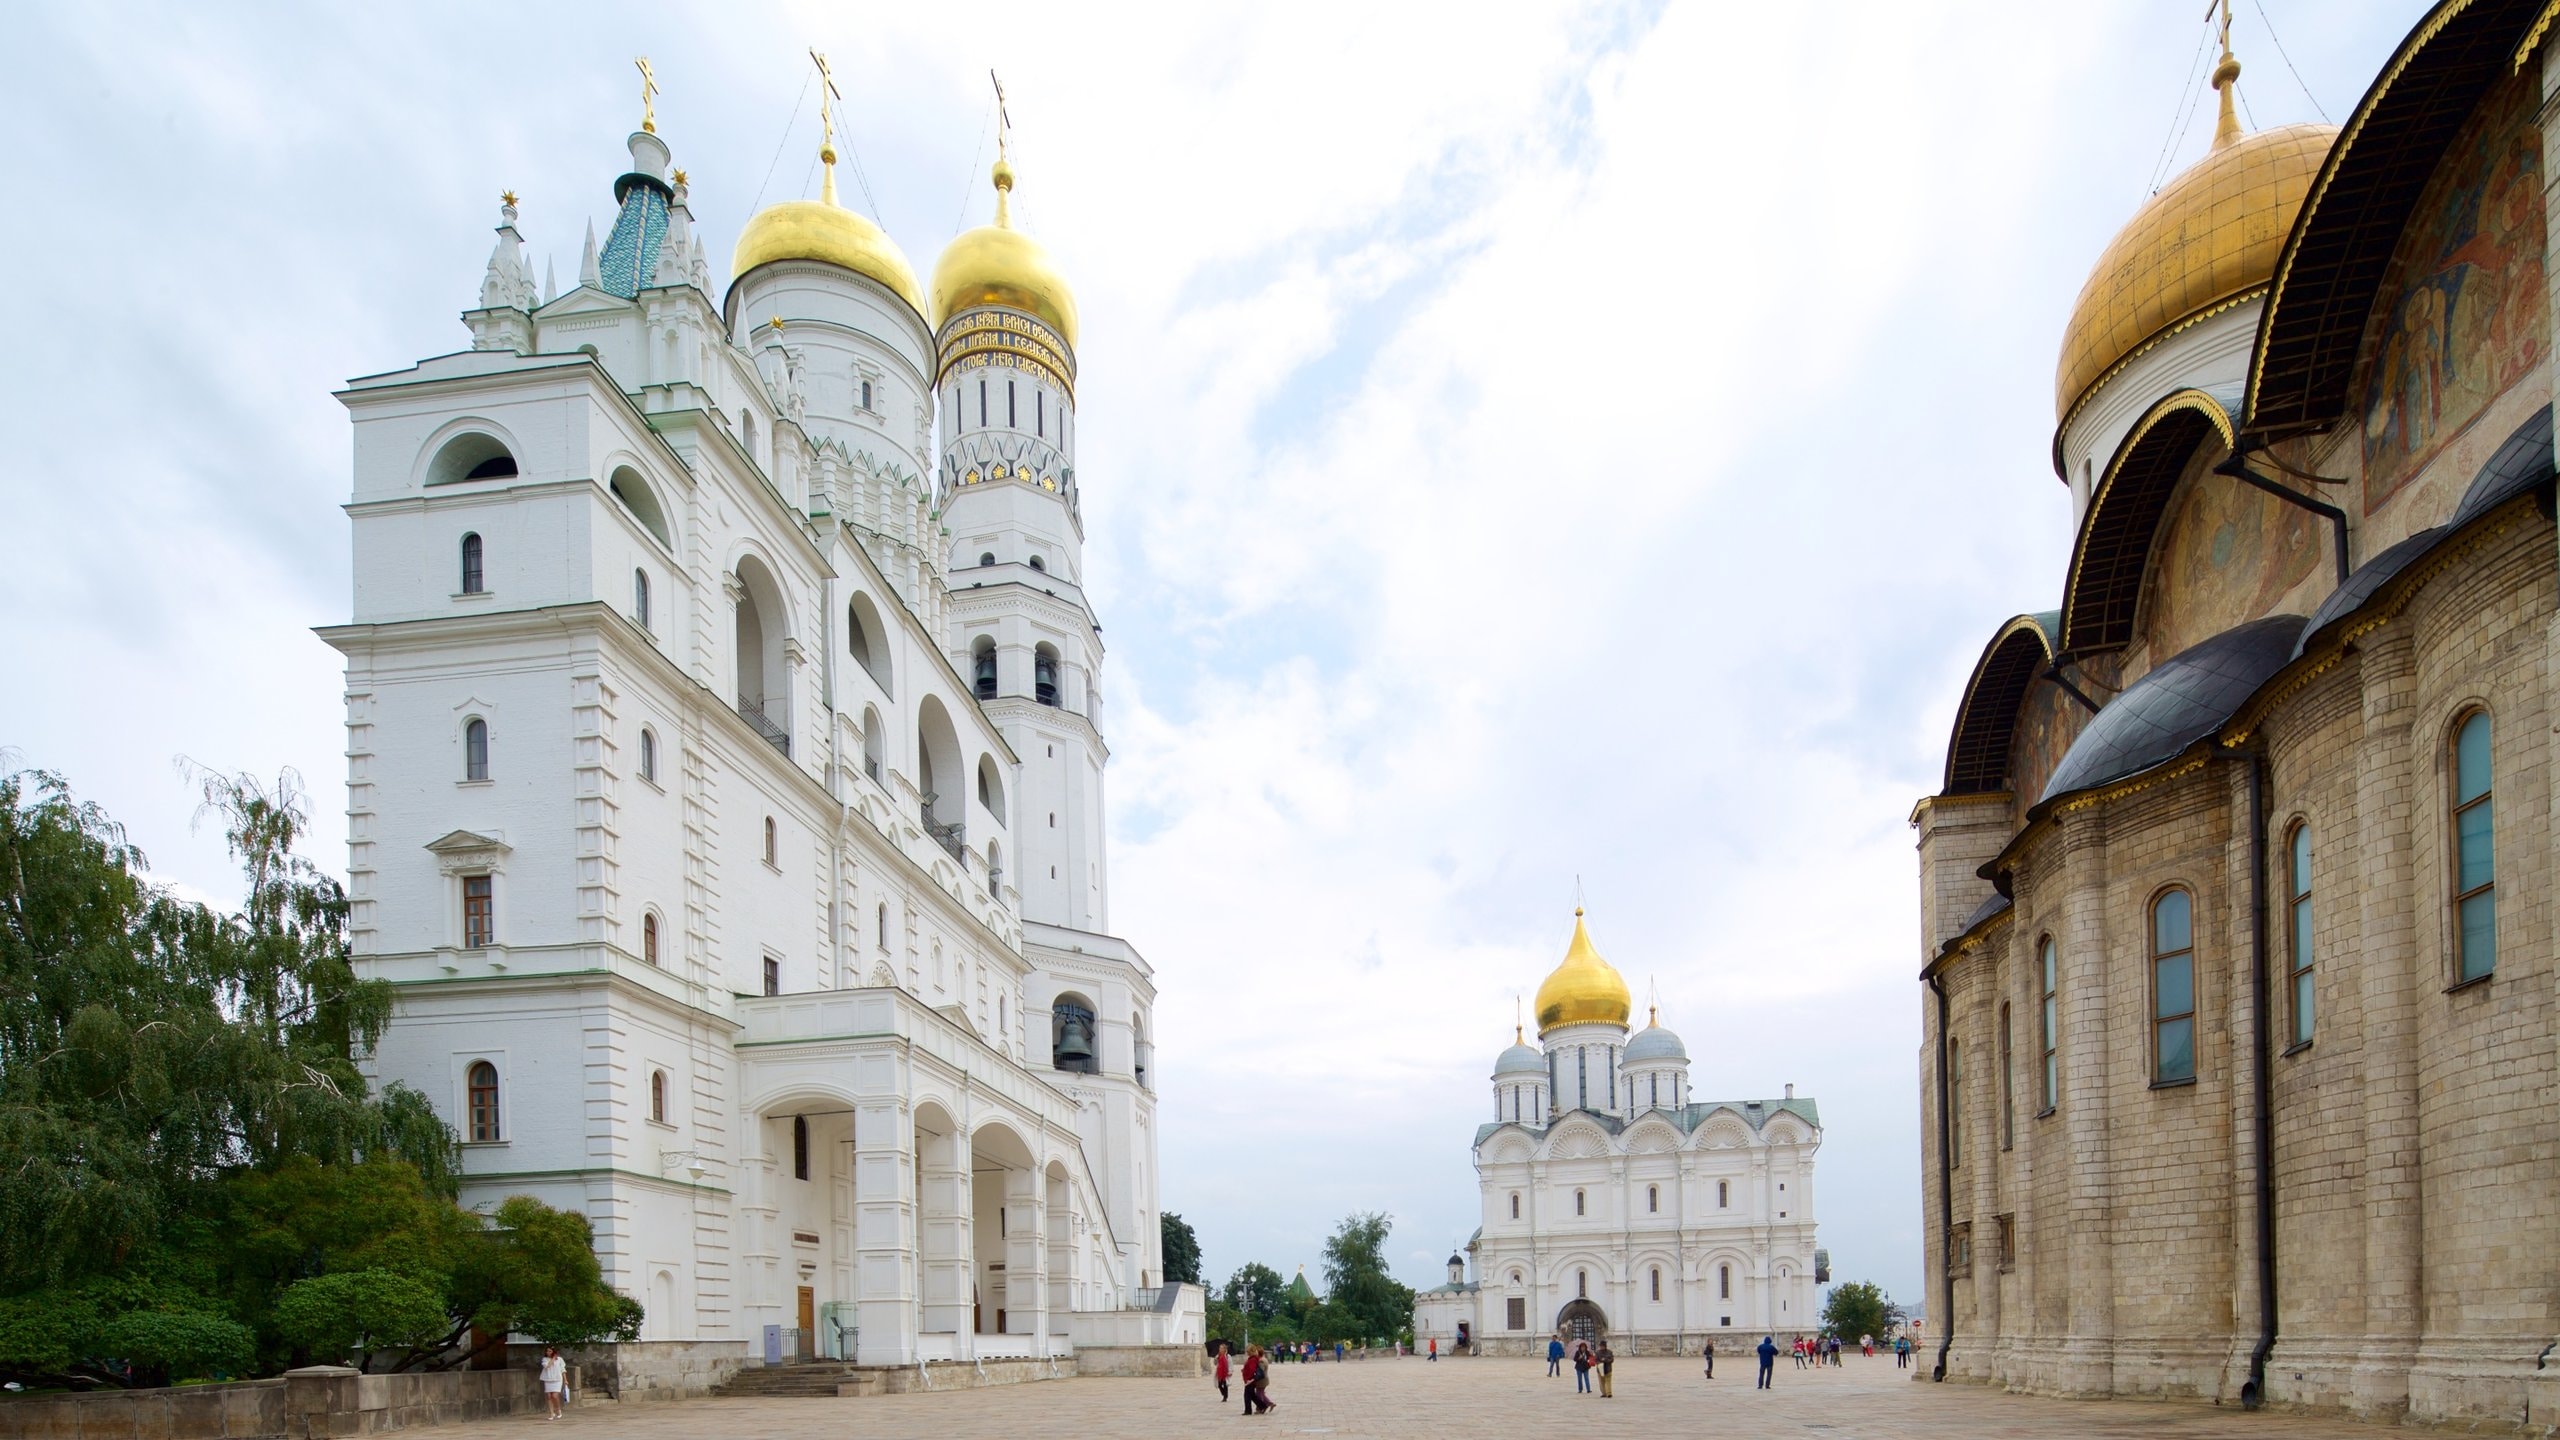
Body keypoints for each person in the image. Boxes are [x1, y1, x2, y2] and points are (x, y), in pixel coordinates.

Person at [537, 1346, 566, 1420]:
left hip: (557, 1379)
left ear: (553, 1351)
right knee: (549, 1396)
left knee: (555, 1396)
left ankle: (558, 1409)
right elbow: (547, 1366)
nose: (548, 1352)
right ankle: (551, 1413)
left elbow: (563, 1370)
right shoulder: (544, 1359)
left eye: (550, 1351)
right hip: (548, 1379)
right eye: (547, 1351)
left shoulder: (559, 1359)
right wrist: (552, 1359)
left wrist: (565, 1380)